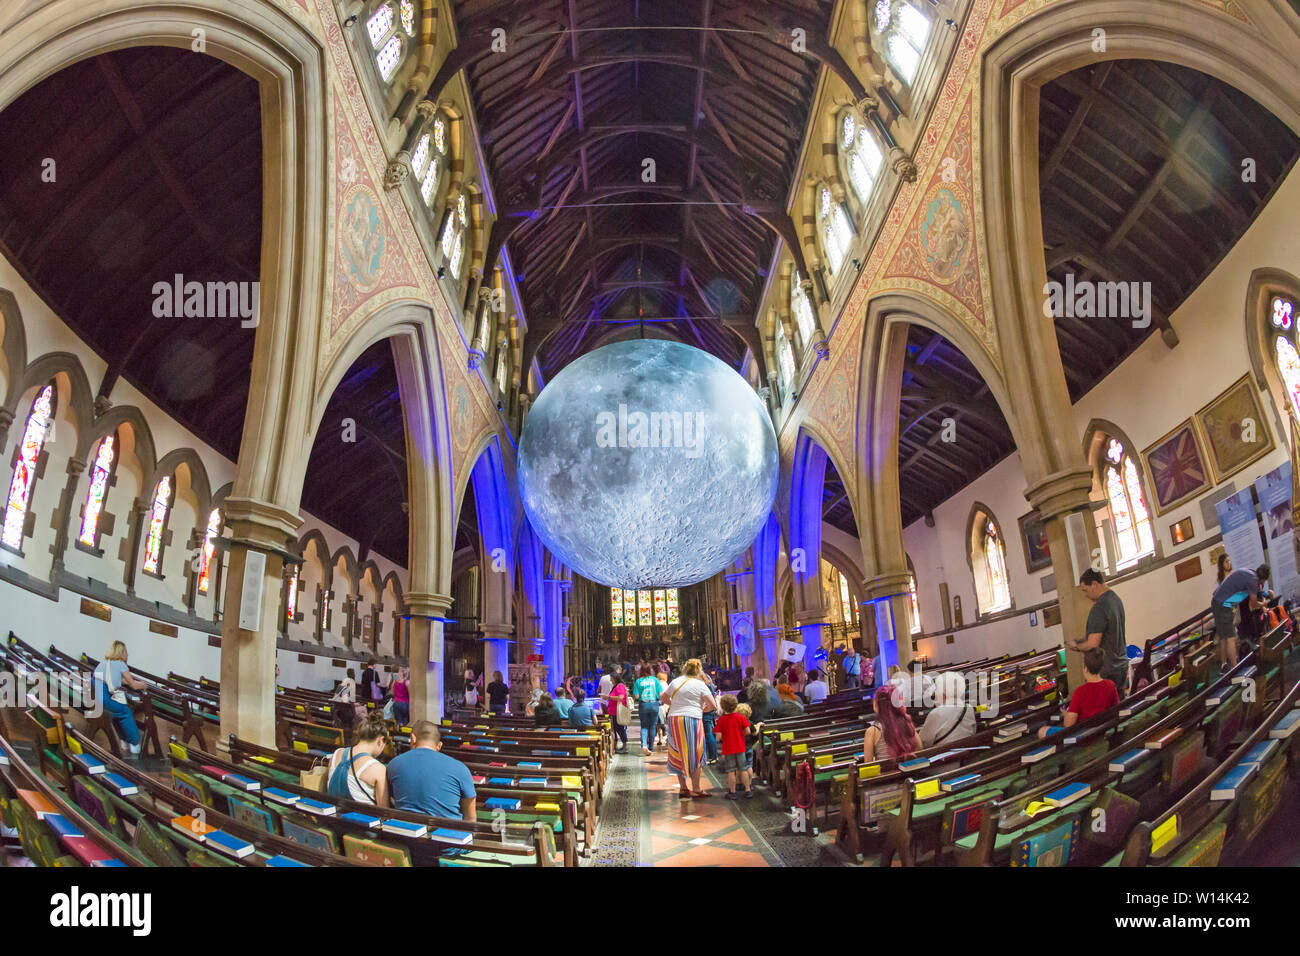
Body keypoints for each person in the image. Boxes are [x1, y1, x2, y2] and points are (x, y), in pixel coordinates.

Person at [385, 721, 477, 820]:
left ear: (413, 738)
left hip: (405, 831)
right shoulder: (460, 768)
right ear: (439, 745)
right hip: (447, 832)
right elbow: (470, 817)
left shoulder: (393, 764)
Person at [661, 658, 719, 798]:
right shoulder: (700, 685)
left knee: (677, 751)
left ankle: (683, 788)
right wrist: (701, 709)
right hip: (693, 718)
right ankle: (697, 788)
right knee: (696, 751)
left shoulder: (676, 682)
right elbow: (713, 705)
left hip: (675, 718)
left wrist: (674, 704)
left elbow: (663, 698)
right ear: (699, 670)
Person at [1072, 569, 1130, 695]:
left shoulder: (1099, 607)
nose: (1085, 595)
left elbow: (1093, 644)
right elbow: (1109, 631)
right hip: (1120, 665)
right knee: (1118, 707)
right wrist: (1082, 639)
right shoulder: (1115, 599)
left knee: (1105, 712)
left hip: (1107, 669)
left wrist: (1076, 647)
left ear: (1094, 584)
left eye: (1085, 590)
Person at [1039, 648, 1120, 737]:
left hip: (1083, 735)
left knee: (1042, 731)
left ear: (1085, 669)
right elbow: (1116, 708)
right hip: (1102, 730)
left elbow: (1068, 725)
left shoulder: (1080, 692)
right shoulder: (1110, 685)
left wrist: (1066, 715)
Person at [92, 641, 149, 757]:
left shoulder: (104, 663)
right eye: (126, 652)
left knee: (117, 713)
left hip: (96, 698)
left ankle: (124, 741)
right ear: (121, 653)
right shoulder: (121, 664)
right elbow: (133, 685)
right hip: (104, 699)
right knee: (125, 711)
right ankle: (134, 743)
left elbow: (117, 680)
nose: (128, 654)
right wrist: (143, 685)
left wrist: (133, 683)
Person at [1211, 562, 1268, 668]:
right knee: (1231, 638)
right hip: (1223, 604)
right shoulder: (1253, 580)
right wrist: (1264, 604)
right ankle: (1235, 669)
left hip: (1217, 601)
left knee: (1224, 637)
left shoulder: (1250, 573)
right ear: (1263, 579)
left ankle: (1223, 666)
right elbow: (1254, 603)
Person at [326, 713, 389, 806]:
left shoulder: (336, 754)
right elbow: (384, 811)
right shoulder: (377, 768)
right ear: (380, 740)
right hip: (362, 819)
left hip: (332, 816)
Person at [863, 683, 921, 763]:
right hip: (911, 772)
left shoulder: (872, 731)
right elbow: (920, 749)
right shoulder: (907, 723)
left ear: (877, 705)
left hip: (887, 774)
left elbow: (867, 764)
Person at [919, 670, 977, 748]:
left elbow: (923, 742)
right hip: (966, 752)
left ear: (943, 694)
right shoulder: (969, 708)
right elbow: (973, 731)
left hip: (943, 756)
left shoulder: (936, 713)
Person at [713, 695, 754, 799]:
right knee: (743, 769)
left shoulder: (721, 720)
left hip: (728, 748)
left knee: (731, 771)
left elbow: (718, 737)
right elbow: (748, 731)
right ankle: (748, 790)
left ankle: (733, 792)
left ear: (722, 707)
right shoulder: (740, 717)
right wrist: (739, 735)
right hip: (740, 747)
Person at [632, 665, 664, 755]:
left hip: (644, 705)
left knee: (644, 726)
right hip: (654, 704)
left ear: (641, 671)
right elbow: (660, 693)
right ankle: (651, 747)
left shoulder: (638, 681)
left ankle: (644, 745)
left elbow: (637, 696)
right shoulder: (655, 680)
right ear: (650, 670)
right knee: (653, 725)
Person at [607, 674, 631, 752]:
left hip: (617, 711)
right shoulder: (615, 686)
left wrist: (609, 697)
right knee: (615, 728)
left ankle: (624, 746)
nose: (611, 681)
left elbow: (621, 697)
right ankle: (616, 746)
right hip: (613, 711)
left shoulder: (620, 686)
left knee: (619, 728)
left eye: (612, 679)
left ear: (615, 679)